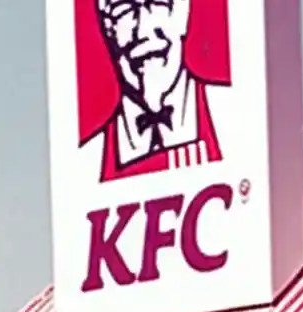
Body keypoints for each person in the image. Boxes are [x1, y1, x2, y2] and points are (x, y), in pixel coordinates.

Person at [88, 0, 223, 182]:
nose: (143, 30)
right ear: (109, 30)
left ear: (182, 13)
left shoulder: (233, 118)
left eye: (158, 3)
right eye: (125, 10)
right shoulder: (88, 162)